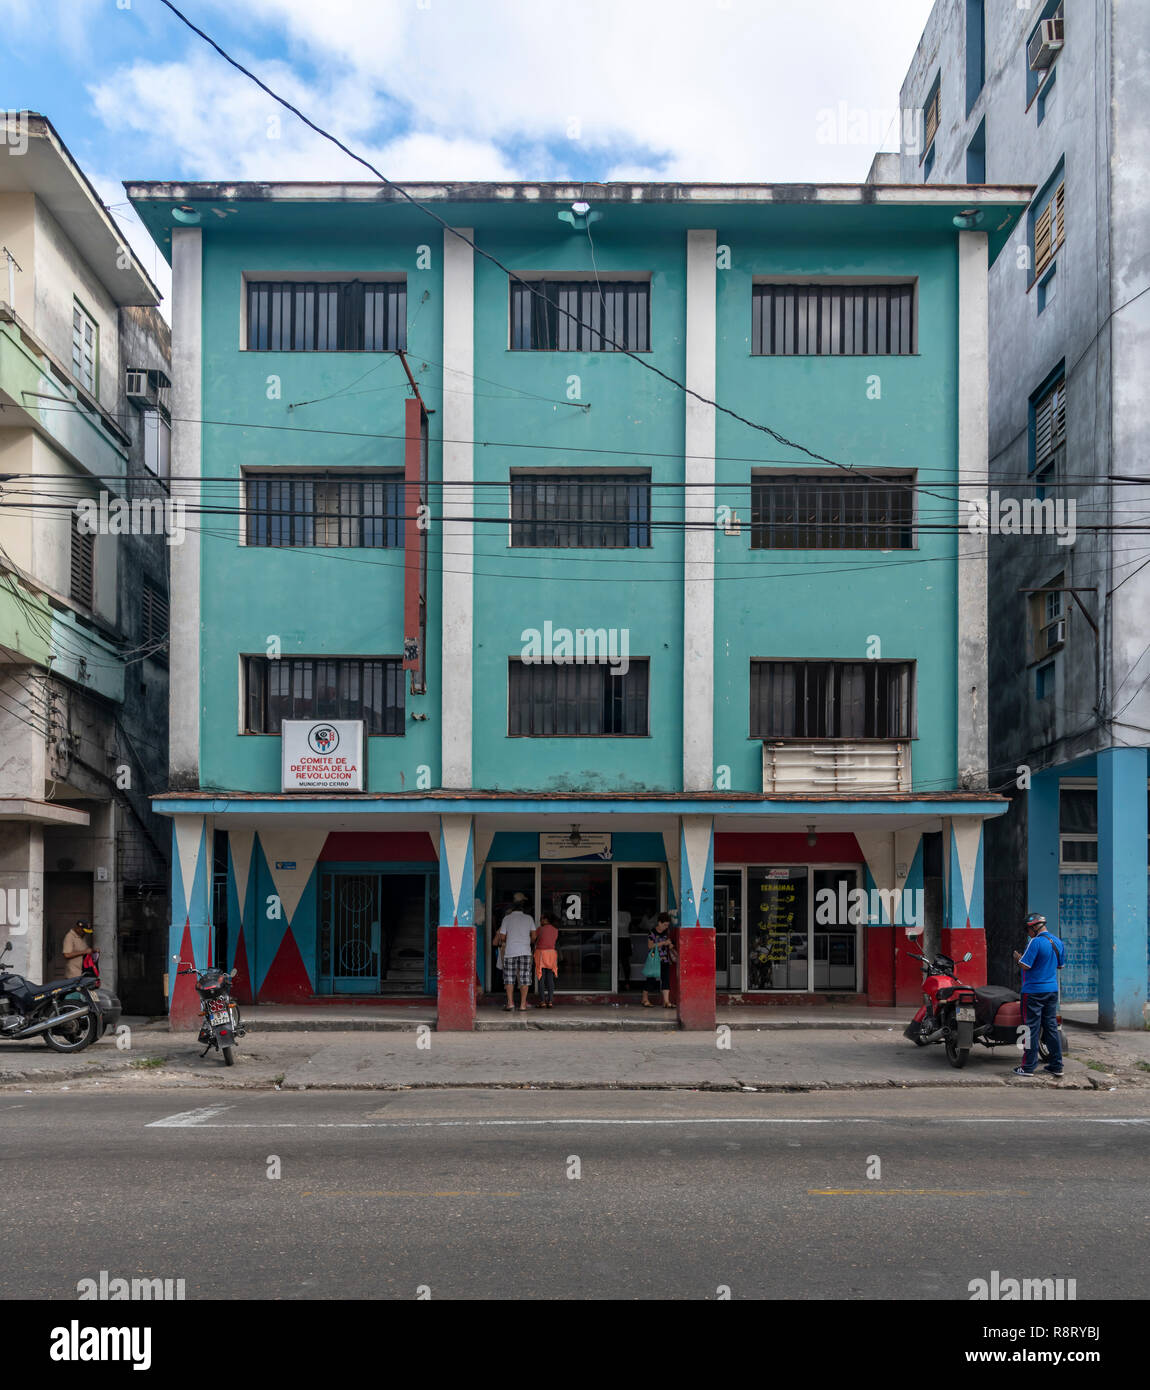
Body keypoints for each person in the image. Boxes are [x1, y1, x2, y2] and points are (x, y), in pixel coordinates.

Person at [1012, 911, 1066, 1078]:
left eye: (1028, 930)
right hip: (1051, 991)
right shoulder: (1058, 942)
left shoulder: (1035, 942)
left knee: (1030, 1028)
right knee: (1051, 1027)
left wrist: (1018, 958)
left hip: (1033, 992)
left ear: (1034, 928)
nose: (1028, 934)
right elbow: (1060, 966)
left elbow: (1026, 965)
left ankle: (1028, 1067)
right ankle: (1056, 1065)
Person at [495, 892, 537, 1012]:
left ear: (512, 909)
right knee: (524, 978)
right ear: (523, 909)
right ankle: (523, 1005)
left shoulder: (507, 919)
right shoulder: (529, 918)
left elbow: (502, 937)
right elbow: (534, 936)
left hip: (510, 952)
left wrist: (512, 938)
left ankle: (510, 1004)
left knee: (509, 978)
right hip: (525, 951)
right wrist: (527, 940)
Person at [641, 911, 677, 1009]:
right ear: (659, 923)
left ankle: (666, 1001)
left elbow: (670, 943)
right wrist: (663, 943)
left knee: (666, 980)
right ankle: (644, 999)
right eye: (665, 924)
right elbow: (650, 946)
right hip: (655, 960)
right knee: (651, 979)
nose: (666, 927)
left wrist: (670, 944)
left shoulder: (667, 932)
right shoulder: (652, 932)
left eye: (667, 925)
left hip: (665, 959)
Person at [534, 911, 559, 1008]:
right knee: (550, 978)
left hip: (541, 953)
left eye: (541, 919)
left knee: (541, 978)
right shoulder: (555, 930)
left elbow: (534, 938)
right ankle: (550, 1001)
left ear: (546, 920)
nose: (540, 921)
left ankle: (542, 1001)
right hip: (552, 954)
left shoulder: (540, 929)